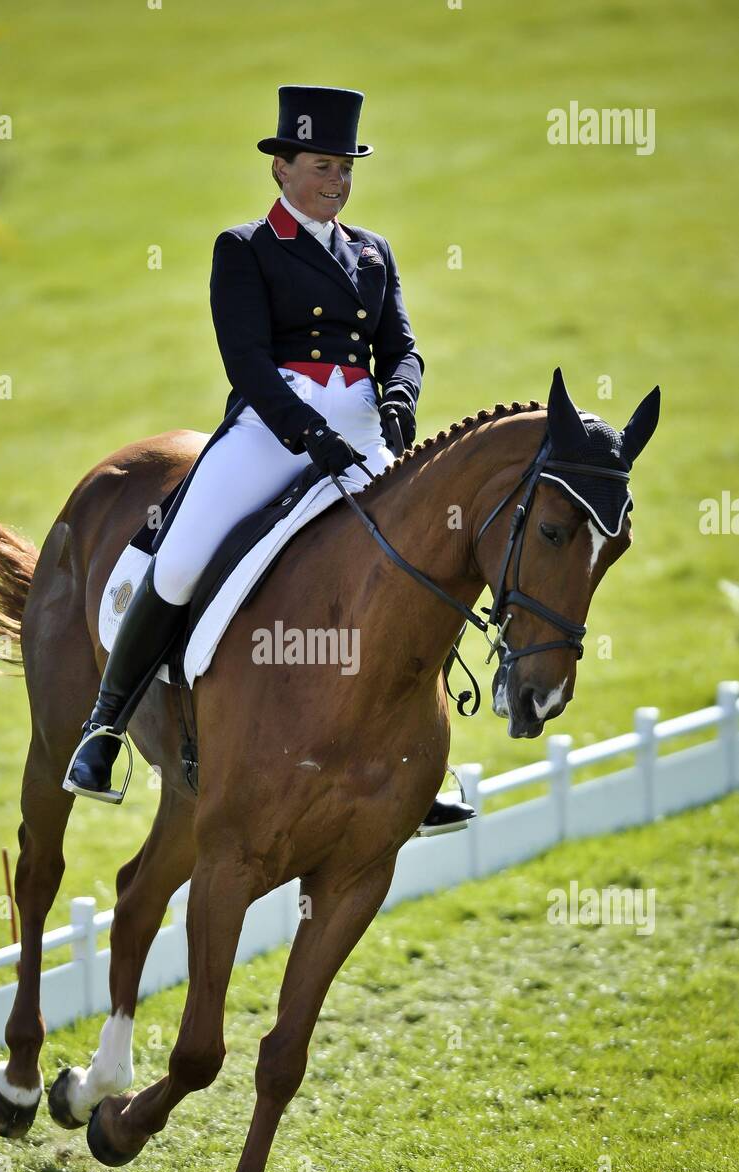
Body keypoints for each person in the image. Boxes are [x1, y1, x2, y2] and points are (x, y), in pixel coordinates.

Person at [64, 85, 474, 831]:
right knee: (183, 559)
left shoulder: (371, 253)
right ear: (280, 168)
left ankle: (414, 765)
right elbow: (246, 362)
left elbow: (401, 349)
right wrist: (302, 432)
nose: (337, 182)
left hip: (356, 428)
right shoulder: (245, 249)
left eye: (345, 168)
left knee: (419, 562)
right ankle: (104, 727)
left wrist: (398, 404)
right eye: (322, 166)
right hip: (268, 428)